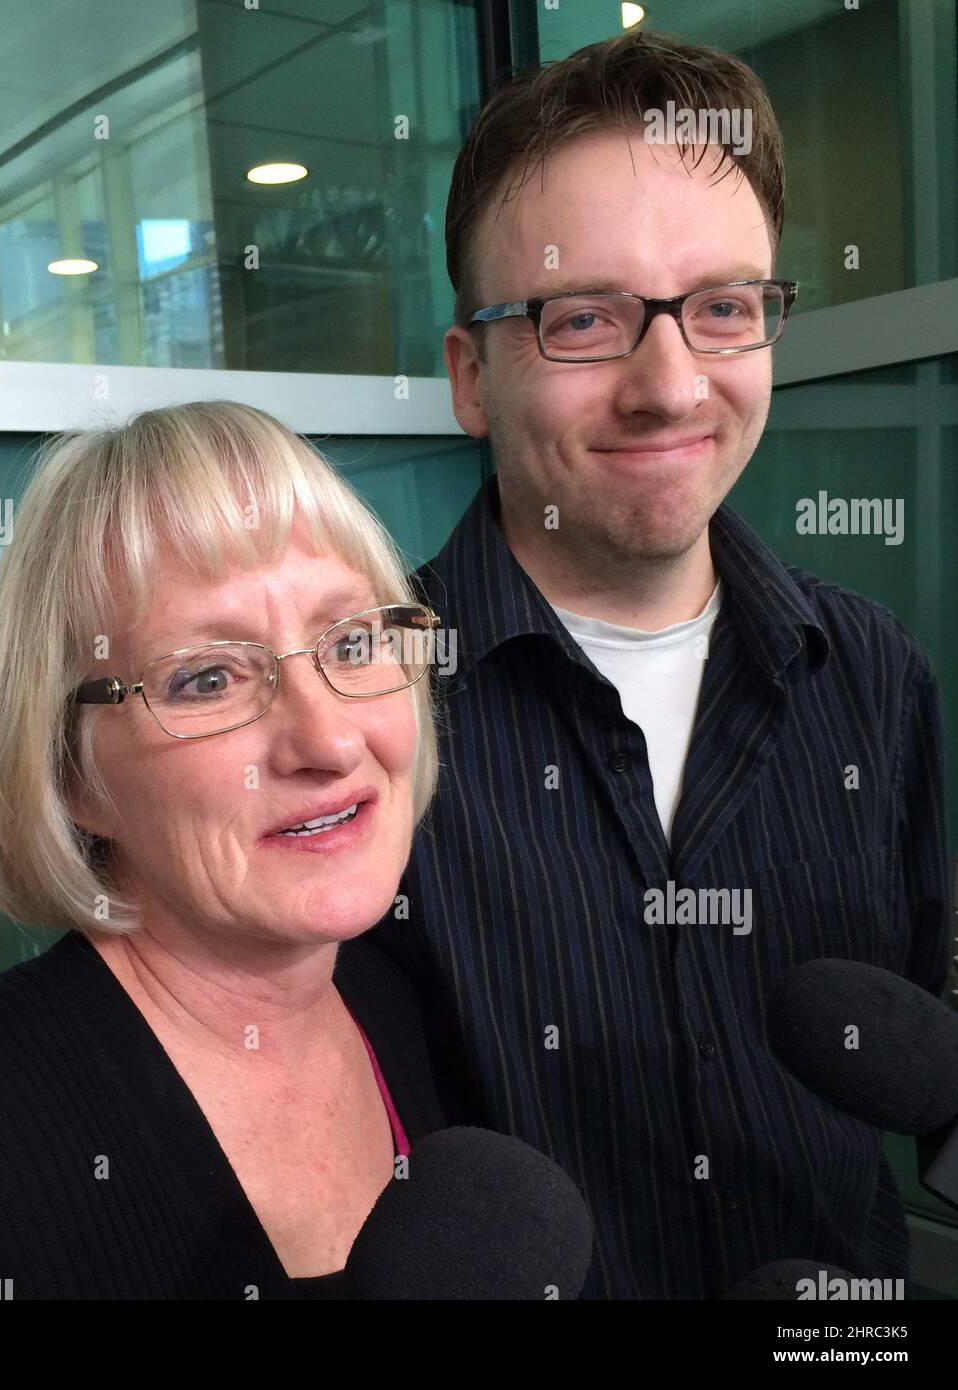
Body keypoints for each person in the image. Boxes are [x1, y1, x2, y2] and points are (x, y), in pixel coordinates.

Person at [368, 30, 951, 1298]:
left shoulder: (874, 674)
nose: (673, 386)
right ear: (471, 376)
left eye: (724, 308)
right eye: (586, 319)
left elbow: (919, 1044)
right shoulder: (355, 711)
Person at [0, 400, 447, 1300]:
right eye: (207, 679)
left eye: (353, 640)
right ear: (74, 776)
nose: (328, 741)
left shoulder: (392, 996)